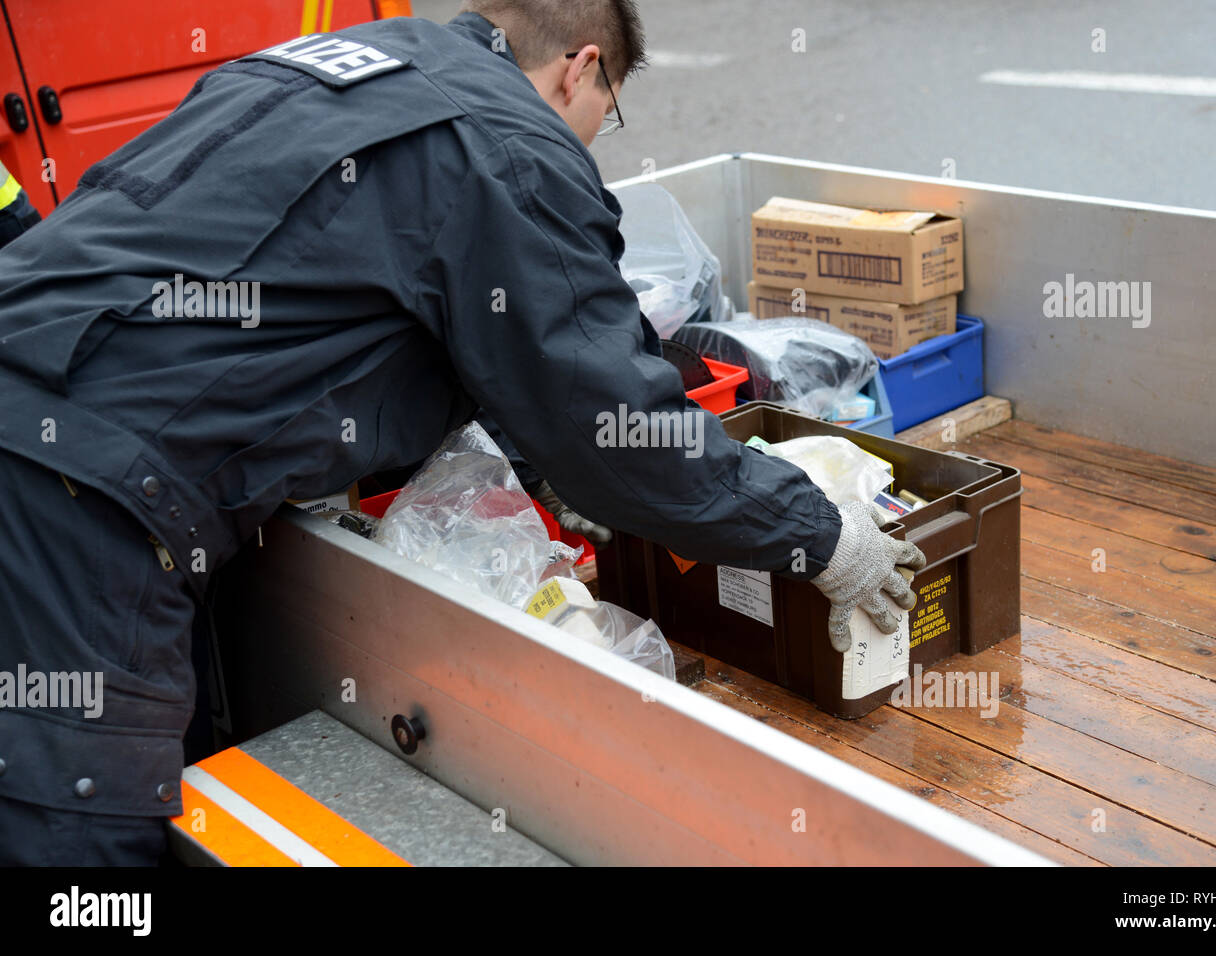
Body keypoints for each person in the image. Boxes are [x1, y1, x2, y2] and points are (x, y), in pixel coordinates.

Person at [0, 0, 923, 865]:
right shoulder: (508, 142)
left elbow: (351, 298)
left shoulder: (329, 67)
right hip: (77, 496)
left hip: (47, 396)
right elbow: (620, 432)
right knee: (86, 852)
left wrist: (541, 448)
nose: (597, 138)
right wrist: (824, 537)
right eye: (611, 113)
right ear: (581, 70)